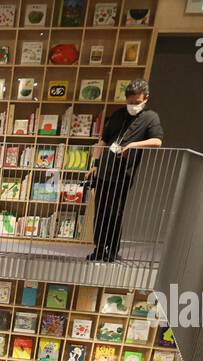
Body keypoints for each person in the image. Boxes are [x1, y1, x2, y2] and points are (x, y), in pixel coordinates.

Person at [87, 79, 164, 262]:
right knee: (100, 213)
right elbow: (103, 140)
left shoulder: (151, 118)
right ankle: (99, 248)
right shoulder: (118, 114)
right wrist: (95, 164)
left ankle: (112, 251)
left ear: (146, 99)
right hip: (104, 171)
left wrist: (134, 144)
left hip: (123, 175)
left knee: (115, 213)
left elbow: (158, 141)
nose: (133, 106)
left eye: (137, 102)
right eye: (130, 102)